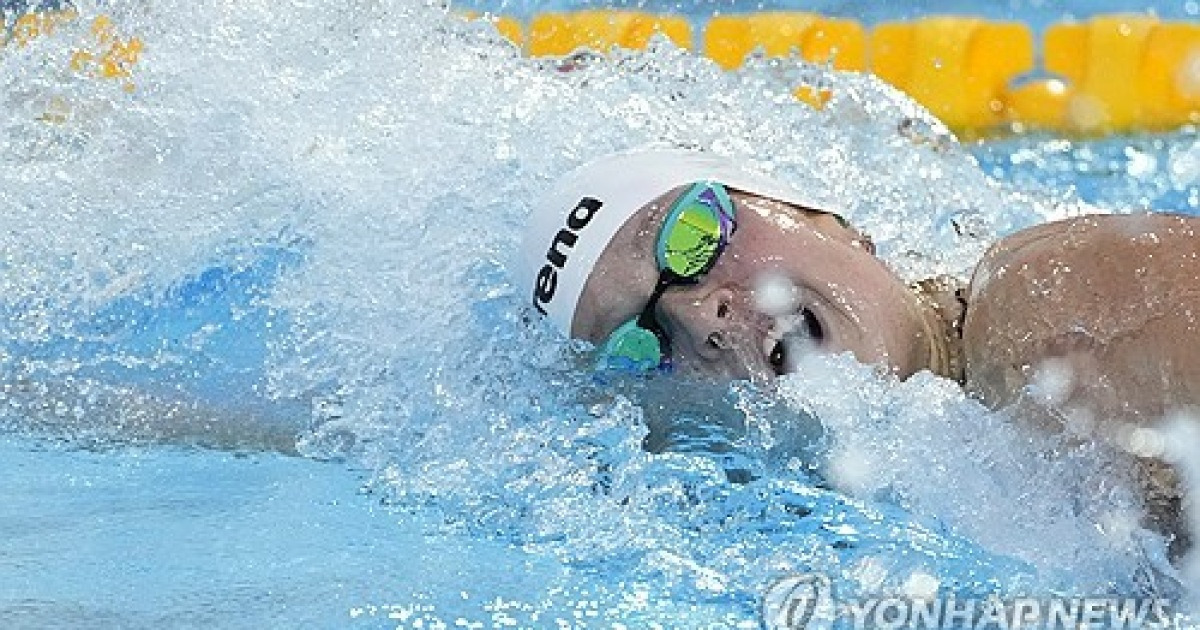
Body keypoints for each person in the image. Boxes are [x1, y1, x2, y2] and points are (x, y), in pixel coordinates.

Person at [518, 147, 1200, 556]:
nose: (700, 318)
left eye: (690, 238)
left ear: (828, 219)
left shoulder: (1051, 303)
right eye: (642, 341)